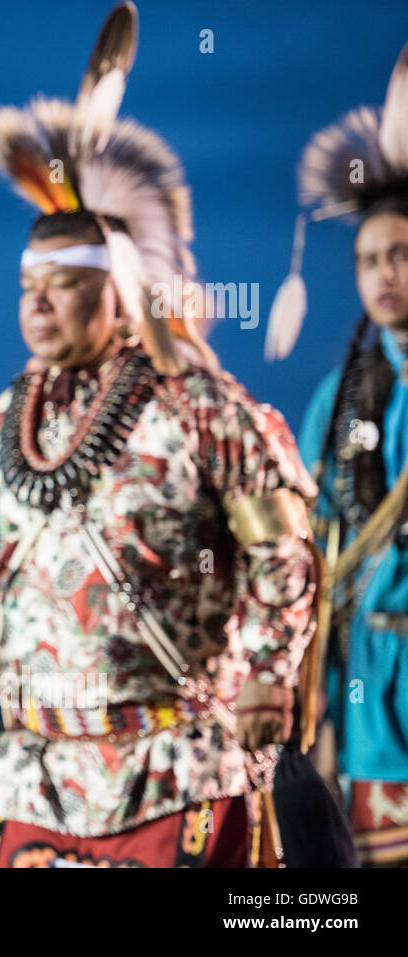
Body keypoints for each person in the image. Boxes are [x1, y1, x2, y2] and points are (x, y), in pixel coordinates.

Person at [0, 4, 318, 867]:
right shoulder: (5, 419)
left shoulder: (199, 405)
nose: (37, 302)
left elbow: (283, 555)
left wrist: (265, 671)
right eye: (28, 285)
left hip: (173, 766)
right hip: (34, 775)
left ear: (121, 296)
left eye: (64, 285)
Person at [273, 40, 408, 866]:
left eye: (400, 253)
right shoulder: (339, 398)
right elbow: (312, 550)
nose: (383, 273)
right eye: (367, 259)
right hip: (368, 701)